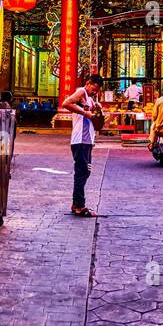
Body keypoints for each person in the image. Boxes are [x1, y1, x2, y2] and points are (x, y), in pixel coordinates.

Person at [60, 72, 103, 217]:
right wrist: (87, 114)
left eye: (97, 90)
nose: (94, 92)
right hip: (80, 140)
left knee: (85, 171)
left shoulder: (89, 98)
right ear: (88, 83)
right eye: (94, 88)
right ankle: (79, 205)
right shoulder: (82, 92)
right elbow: (66, 103)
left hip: (86, 141)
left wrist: (96, 109)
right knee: (82, 172)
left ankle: (76, 203)